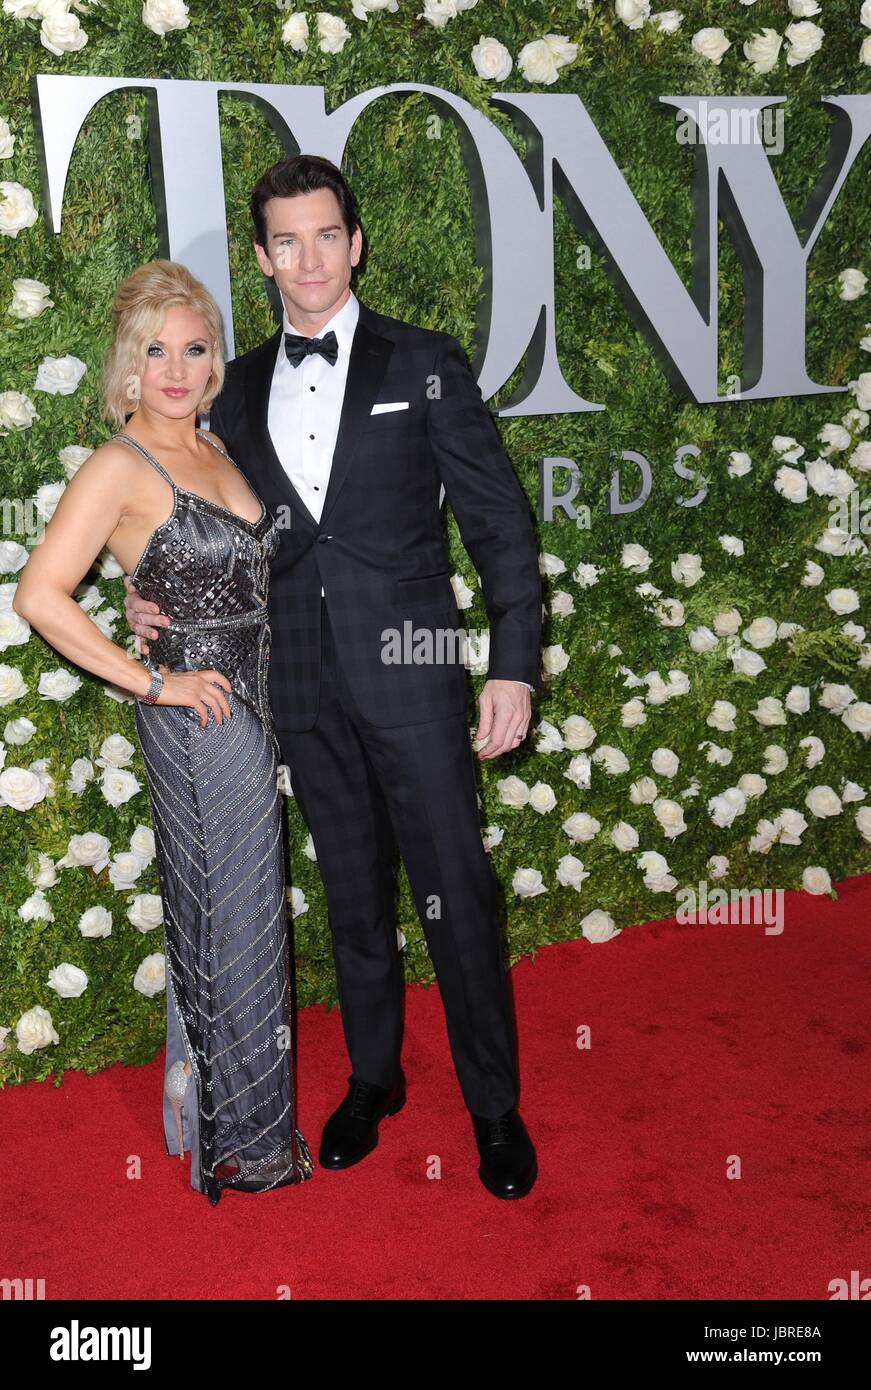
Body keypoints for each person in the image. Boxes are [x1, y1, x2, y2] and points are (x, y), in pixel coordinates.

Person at [125, 155, 543, 1199]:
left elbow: (497, 522)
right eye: (285, 241)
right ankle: (372, 1080)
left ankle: (494, 1107)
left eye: (325, 236)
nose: (307, 259)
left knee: (458, 894)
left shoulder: (426, 363)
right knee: (354, 901)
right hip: (301, 691)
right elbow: (203, 521)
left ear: (354, 244)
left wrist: (513, 664)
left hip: (416, 679)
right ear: (263, 257)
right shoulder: (242, 385)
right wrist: (149, 597)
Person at [13, 260, 314, 1205]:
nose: (177, 368)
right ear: (128, 366)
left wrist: (152, 610)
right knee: (240, 914)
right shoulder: (119, 464)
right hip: (204, 719)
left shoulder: (218, 448)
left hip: (256, 702)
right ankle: (247, 1139)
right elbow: (39, 596)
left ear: (214, 359)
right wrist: (153, 678)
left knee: (238, 909)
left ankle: (211, 1100)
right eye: (157, 351)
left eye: (195, 348)